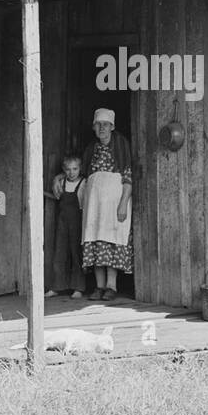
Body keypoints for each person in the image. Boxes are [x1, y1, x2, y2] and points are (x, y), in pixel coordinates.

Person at [80, 108, 133, 300]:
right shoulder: (91, 149)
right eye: (98, 124)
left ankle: (112, 286)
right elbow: (81, 175)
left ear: (112, 127)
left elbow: (128, 178)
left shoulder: (120, 146)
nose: (101, 128)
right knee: (95, 240)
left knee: (111, 240)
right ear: (94, 127)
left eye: (105, 124)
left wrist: (123, 204)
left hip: (113, 203)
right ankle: (99, 286)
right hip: (94, 206)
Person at [45, 155, 86, 299]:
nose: (71, 172)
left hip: (77, 223)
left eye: (75, 169)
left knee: (76, 254)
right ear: (63, 170)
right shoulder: (61, 182)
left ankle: (78, 288)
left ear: (80, 169)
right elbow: (56, 197)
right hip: (62, 223)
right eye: (68, 169)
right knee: (59, 253)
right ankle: (57, 286)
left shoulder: (84, 183)